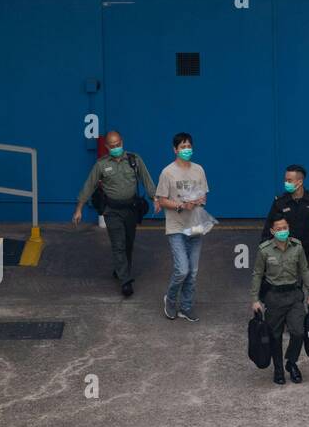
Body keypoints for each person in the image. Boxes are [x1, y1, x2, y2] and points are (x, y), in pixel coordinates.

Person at [72, 130, 157, 297]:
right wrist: (79, 209)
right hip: (112, 211)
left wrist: (155, 198)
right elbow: (89, 186)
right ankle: (126, 281)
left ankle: (120, 270)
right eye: (113, 145)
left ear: (122, 142)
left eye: (118, 144)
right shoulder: (101, 164)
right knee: (118, 244)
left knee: (128, 244)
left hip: (130, 209)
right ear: (107, 146)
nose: (116, 147)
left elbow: (147, 180)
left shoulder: (134, 160)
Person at [251, 218, 309, 385]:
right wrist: (255, 299)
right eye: (278, 228)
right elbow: (257, 274)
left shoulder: (297, 247)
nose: (282, 231)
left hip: (294, 295)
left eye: (285, 227)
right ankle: (278, 368)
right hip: (274, 297)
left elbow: (304, 269)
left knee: (298, 332)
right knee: (275, 335)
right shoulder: (264, 250)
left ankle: (291, 363)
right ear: (272, 231)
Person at [154, 132, 209, 322]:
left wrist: (199, 200)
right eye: (182, 147)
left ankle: (186, 306)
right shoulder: (167, 172)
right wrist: (181, 205)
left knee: (192, 272)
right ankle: (170, 299)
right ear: (175, 150)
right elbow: (161, 200)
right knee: (182, 269)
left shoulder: (199, 170)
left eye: (189, 146)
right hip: (176, 226)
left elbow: (204, 195)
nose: (187, 150)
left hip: (194, 225)